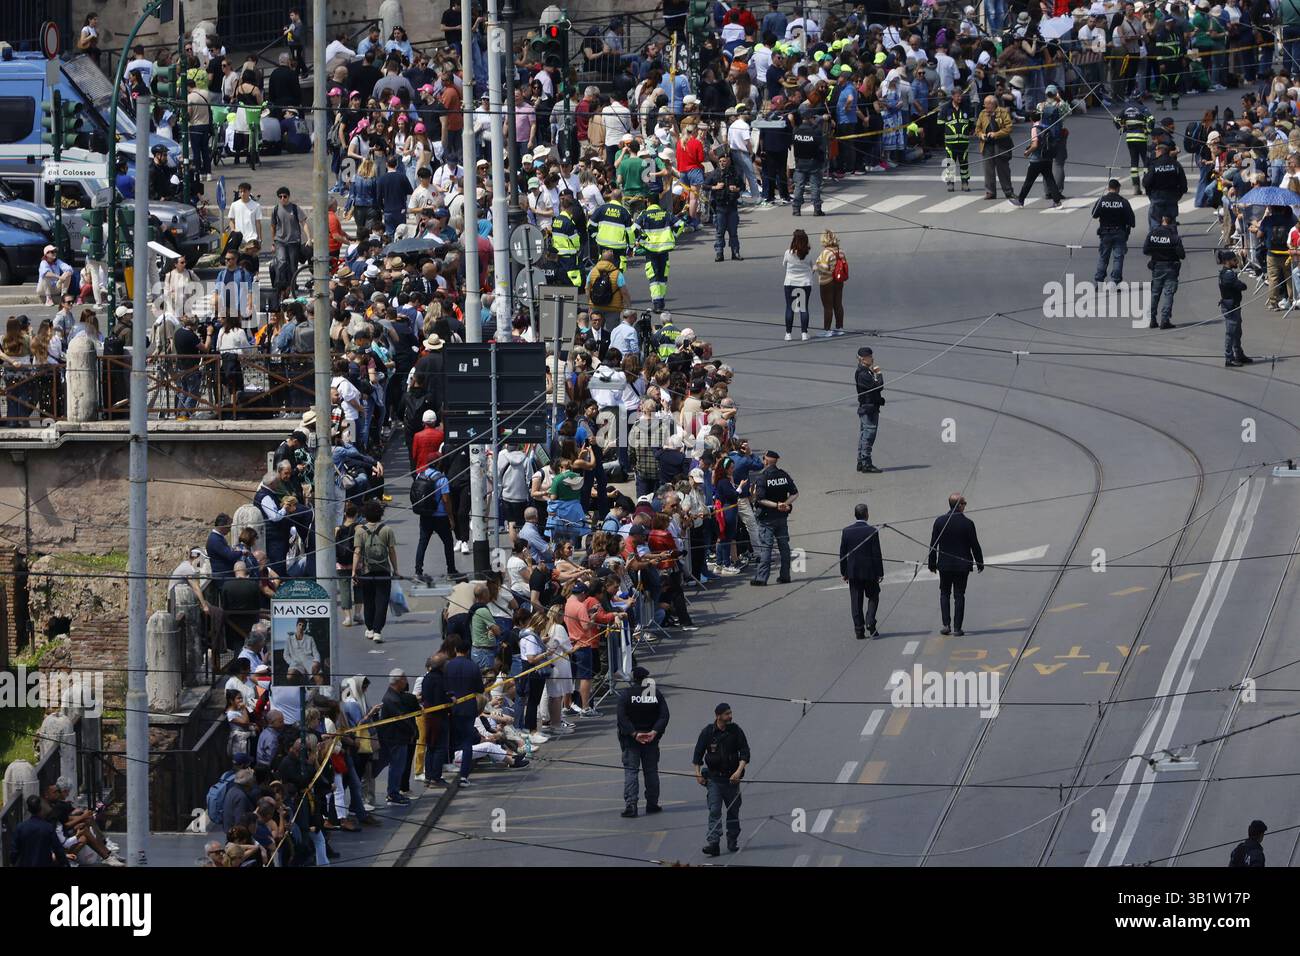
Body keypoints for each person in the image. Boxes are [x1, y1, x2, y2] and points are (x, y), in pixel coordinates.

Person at [692, 702, 751, 856]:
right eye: (727, 714)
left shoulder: (735, 731)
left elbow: (745, 752)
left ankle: (732, 840)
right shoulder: (707, 733)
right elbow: (697, 755)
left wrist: (738, 771)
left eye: (730, 713)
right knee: (714, 810)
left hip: (732, 780)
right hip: (714, 780)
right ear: (718, 716)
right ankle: (713, 842)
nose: (730, 716)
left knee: (733, 811)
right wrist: (697, 773)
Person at [927, 492, 985, 636]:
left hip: (944, 566)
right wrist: (979, 562)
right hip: (962, 566)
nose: (965, 506)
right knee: (959, 595)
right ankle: (957, 628)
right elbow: (975, 545)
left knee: (944, 593)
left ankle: (946, 624)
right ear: (959, 505)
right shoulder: (968, 523)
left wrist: (932, 564)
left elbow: (933, 545)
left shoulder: (940, 521)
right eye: (964, 503)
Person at [616, 665, 670, 818]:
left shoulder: (626, 695)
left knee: (631, 771)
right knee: (651, 771)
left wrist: (634, 733)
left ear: (633, 679)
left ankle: (631, 806)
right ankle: (652, 803)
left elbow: (622, 717)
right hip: (651, 739)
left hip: (631, 740)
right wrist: (654, 731)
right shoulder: (655, 694)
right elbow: (664, 716)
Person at [351, 499, 398, 642]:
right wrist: (395, 569)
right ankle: (378, 631)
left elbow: (357, 552)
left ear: (365, 515)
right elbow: (392, 551)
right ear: (380, 514)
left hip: (366, 570)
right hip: (383, 570)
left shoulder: (360, 531)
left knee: (368, 600)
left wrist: (354, 571)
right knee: (382, 601)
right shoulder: (387, 530)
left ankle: (369, 628)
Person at [749, 449, 798, 586]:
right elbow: (795, 493)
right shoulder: (784, 475)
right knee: (784, 547)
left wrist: (777, 505)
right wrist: (784, 504)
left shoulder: (763, 477)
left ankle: (761, 578)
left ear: (766, 460)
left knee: (766, 548)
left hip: (767, 518)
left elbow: (760, 499)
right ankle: (785, 576)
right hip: (781, 517)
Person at [840, 503, 885, 640]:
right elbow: (876, 554)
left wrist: (844, 572)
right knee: (873, 596)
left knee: (856, 601)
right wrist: (880, 572)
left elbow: (842, 554)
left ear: (855, 515)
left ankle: (859, 630)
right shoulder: (872, 531)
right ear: (867, 514)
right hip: (870, 572)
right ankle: (870, 621)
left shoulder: (846, 531)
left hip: (853, 572)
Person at [376, 668, 418, 805]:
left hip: (397, 738)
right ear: (398, 681)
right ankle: (393, 794)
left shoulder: (396, 695)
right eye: (404, 678)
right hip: (396, 739)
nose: (406, 681)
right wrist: (412, 732)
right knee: (397, 766)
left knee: (398, 765)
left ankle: (394, 792)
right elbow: (402, 720)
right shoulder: (392, 699)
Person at [411, 458, 457, 582]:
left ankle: (418, 572)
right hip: (440, 517)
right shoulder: (442, 479)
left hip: (425, 516)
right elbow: (446, 500)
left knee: (422, 543)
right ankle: (451, 571)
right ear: (439, 463)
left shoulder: (420, 475)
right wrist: (451, 518)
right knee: (448, 543)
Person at [1010, 108, 1063, 208]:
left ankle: (1020, 200)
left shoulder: (1035, 128)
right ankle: (1057, 202)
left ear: (1031, 119)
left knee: (1029, 181)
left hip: (1036, 160)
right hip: (1047, 158)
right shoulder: (1047, 127)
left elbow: (1035, 144)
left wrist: (1027, 152)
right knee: (1050, 180)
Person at [635, 195, 678, 312]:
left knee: (653, 277)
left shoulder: (644, 215)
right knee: (662, 276)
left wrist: (641, 240)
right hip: (664, 249)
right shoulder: (666, 214)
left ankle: (657, 303)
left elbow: (634, 229)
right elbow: (680, 225)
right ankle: (661, 301)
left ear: (648, 202)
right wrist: (673, 237)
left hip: (650, 250)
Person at [1143, 214, 1185, 330]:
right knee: (1168, 294)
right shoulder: (1174, 237)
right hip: (1171, 268)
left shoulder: (1152, 234)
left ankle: (1152, 319)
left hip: (1157, 267)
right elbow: (1182, 255)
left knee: (1155, 293)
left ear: (1161, 221)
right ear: (1171, 222)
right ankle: (1164, 320)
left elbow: (1145, 250)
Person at [1092, 179, 1136, 284]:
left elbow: (1094, 214)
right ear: (1118, 189)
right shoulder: (1123, 202)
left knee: (1103, 257)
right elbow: (1132, 221)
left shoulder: (1102, 200)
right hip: (1119, 233)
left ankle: (1099, 281)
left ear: (1108, 188)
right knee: (1118, 259)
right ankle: (1115, 282)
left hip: (1105, 233)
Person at [271, 187, 311, 294]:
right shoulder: (275, 209)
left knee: (293, 266)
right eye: (280, 197)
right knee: (282, 262)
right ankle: (280, 286)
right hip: (280, 241)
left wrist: (308, 238)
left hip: (294, 241)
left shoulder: (295, 208)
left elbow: (304, 223)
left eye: (285, 196)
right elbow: (273, 226)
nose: (283, 198)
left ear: (288, 197)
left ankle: (292, 285)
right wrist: (273, 242)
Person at [706, 151, 745, 262]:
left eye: (724, 161)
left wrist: (736, 189)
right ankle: (719, 253)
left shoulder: (734, 173)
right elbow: (704, 185)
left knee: (733, 232)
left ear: (728, 161)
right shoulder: (714, 174)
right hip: (719, 208)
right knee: (719, 232)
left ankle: (735, 252)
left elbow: (742, 186)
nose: (722, 163)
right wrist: (715, 187)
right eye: (720, 161)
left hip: (732, 207)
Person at [975, 94, 1014, 200]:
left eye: (987, 104)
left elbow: (1009, 128)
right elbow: (977, 129)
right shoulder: (982, 114)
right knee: (988, 170)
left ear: (993, 104)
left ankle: (1008, 191)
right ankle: (990, 192)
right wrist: (981, 135)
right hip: (987, 145)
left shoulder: (1003, 112)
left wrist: (996, 134)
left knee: (1003, 169)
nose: (985, 106)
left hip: (1001, 144)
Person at [1218, 248, 1252, 368]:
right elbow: (1241, 286)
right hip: (1230, 307)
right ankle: (1229, 357)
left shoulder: (1229, 273)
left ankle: (1239, 354)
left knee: (1237, 332)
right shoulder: (1228, 275)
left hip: (1235, 306)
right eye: (1234, 260)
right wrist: (1242, 284)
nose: (1236, 262)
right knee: (1231, 333)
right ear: (1227, 261)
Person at [1142, 142, 1188, 230]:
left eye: (1156, 150)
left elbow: (1146, 182)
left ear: (1160, 151)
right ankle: (1172, 239)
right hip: (1172, 197)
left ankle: (1155, 239)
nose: (1155, 152)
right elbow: (1183, 183)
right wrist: (1178, 195)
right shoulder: (1176, 164)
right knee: (1171, 221)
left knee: (1155, 221)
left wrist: (1150, 194)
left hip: (1157, 197)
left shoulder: (1155, 165)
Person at [854, 346, 885, 473]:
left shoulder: (866, 371)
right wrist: (879, 374)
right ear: (863, 359)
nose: (872, 359)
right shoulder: (863, 373)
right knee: (869, 435)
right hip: (869, 408)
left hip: (868, 407)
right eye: (869, 357)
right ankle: (866, 462)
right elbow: (878, 387)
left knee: (864, 434)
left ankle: (861, 461)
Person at [1114, 99, 1154, 195]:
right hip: (1141, 138)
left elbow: (1116, 119)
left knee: (1134, 163)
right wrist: (1148, 131)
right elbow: (1151, 119)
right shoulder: (1142, 108)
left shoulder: (1126, 109)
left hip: (1130, 139)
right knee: (1146, 162)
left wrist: (1121, 129)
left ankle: (1136, 187)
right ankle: (1147, 186)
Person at [939, 88, 975, 192]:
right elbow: (940, 124)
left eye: (961, 96)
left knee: (964, 162)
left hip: (963, 142)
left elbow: (971, 123)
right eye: (958, 96)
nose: (960, 98)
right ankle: (950, 183)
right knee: (950, 163)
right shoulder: (945, 108)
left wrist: (968, 131)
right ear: (953, 96)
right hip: (950, 143)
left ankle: (965, 182)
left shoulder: (967, 108)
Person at [812, 231, 847, 336]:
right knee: (838, 304)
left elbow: (824, 268)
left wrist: (815, 267)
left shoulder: (826, 252)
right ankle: (839, 328)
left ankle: (827, 330)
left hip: (827, 281)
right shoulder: (841, 251)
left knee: (828, 306)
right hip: (839, 281)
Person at [782, 229, 813, 341]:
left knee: (790, 307)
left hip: (790, 283)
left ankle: (788, 334)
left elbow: (784, 264)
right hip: (805, 283)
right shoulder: (808, 253)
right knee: (803, 308)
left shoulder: (788, 253)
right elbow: (811, 265)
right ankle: (804, 333)